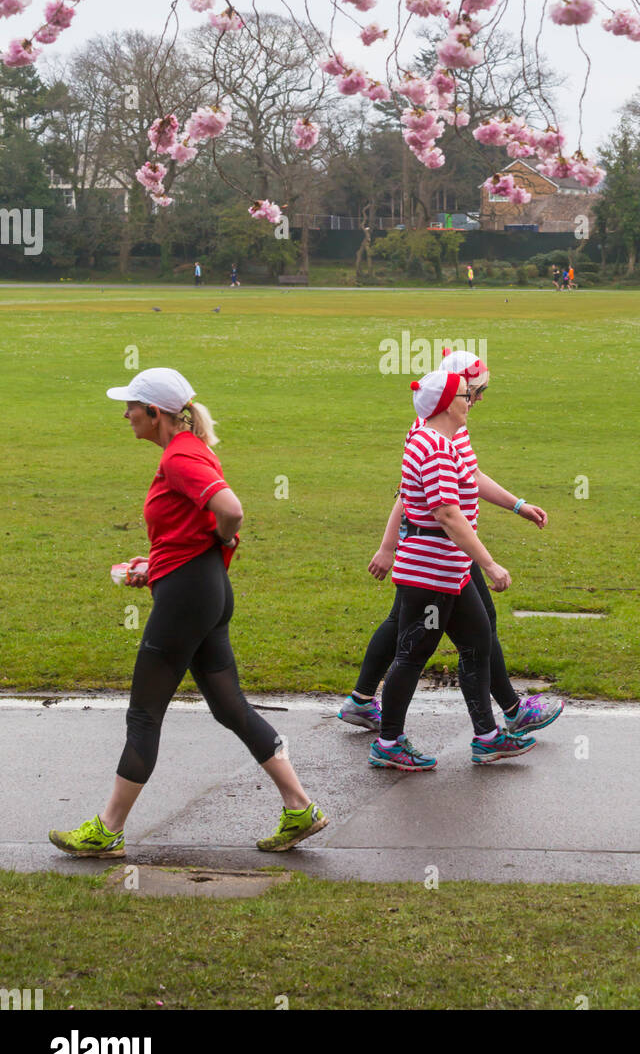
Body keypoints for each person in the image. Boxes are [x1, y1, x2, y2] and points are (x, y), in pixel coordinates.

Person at [49, 367, 328, 858]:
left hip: (187, 599)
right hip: (203, 591)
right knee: (230, 707)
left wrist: (218, 541)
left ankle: (107, 830)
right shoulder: (191, 450)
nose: (126, 414)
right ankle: (300, 806)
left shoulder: (180, 457)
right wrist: (156, 563)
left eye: (132, 406)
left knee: (143, 713)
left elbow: (231, 510)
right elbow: (190, 528)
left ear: (156, 413)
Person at [339, 351, 562, 739]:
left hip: (442, 549)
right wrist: (389, 545)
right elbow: (422, 500)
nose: (476, 400)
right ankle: (502, 717)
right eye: (474, 392)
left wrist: (517, 505)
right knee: (446, 639)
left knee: (421, 630)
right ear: (452, 393)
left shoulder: (447, 427)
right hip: (439, 551)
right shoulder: (437, 434)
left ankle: (367, 703)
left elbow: (468, 476)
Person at [368, 370, 539, 769]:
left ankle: (488, 737)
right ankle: (388, 743)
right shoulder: (434, 449)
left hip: (449, 570)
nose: (472, 401)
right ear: (446, 403)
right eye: (466, 395)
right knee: (412, 656)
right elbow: (447, 514)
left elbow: (464, 492)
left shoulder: (444, 442)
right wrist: (490, 563)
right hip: (430, 574)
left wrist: (517, 506)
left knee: (478, 641)